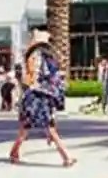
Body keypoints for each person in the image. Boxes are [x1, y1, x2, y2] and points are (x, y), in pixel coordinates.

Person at [8, 29, 75, 167]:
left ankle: (14, 152)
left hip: (34, 95)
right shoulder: (40, 55)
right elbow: (36, 76)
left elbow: (28, 77)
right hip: (40, 95)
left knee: (26, 127)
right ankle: (66, 157)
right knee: (49, 127)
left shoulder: (33, 55)